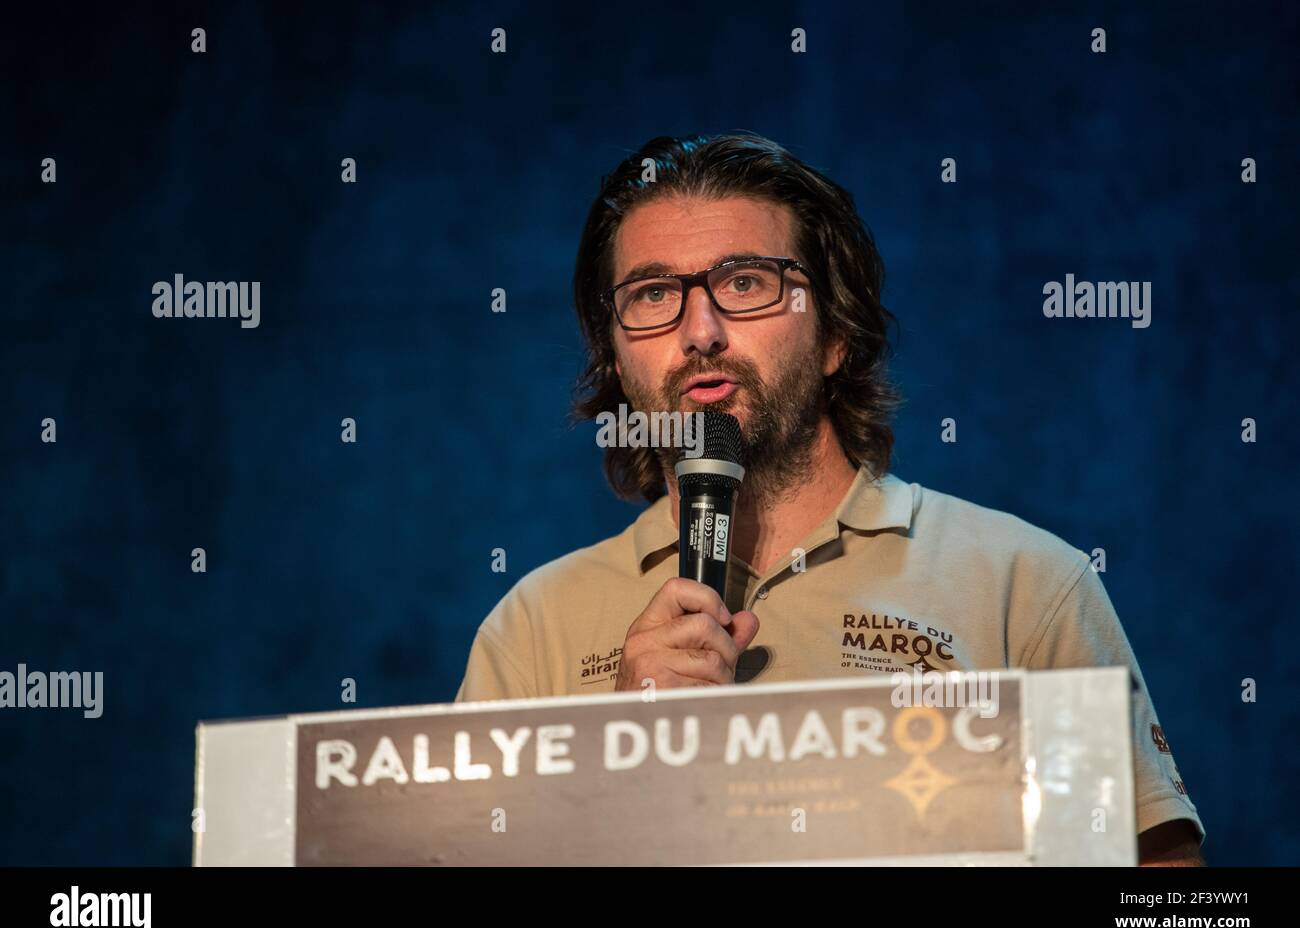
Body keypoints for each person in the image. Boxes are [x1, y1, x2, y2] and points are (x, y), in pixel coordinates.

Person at [455, 132, 1205, 866]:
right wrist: (608, 765)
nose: (700, 332)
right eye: (654, 294)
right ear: (616, 357)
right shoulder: (532, 630)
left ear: (836, 334)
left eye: (744, 282)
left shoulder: (1026, 586)